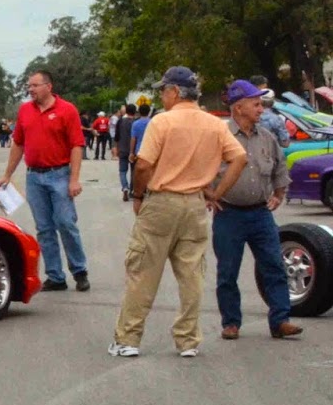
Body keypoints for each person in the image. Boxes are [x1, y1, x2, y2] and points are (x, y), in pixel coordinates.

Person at [111, 66, 247, 357]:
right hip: (195, 204)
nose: (162, 96)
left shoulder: (163, 121)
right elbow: (239, 157)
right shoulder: (214, 124)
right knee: (191, 275)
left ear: (174, 91)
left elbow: (144, 165)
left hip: (163, 201)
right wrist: (216, 192)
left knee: (143, 271)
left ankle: (128, 339)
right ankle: (187, 341)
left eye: (164, 90)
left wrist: (138, 195)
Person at [212, 80, 303, 341]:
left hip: (261, 214)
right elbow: (201, 167)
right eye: (256, 104)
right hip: (228, 214)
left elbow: (280, 167)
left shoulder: (267, 137)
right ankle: (231, 323)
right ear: (238, 107)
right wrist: (208, 193)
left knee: (274, 266)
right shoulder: (220, 137)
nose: (261, 109)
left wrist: (279, 194)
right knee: (228, 272)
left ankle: (280, 321)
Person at [0, 69, 89, 292]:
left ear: (49, 86)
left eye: (35, 85)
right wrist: (7, 174)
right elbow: (18, 143)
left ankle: (79, 271)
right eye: (29, 86)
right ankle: (55, 276)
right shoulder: (25, 110)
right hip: (34, 178)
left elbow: (76, 145)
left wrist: (74, 179)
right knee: (44, 228)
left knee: (66, 223)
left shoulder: (67, 110)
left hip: (60, 175)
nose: (31, 90)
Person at [251, 77, 291, 147]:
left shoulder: (248, 116)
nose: (265, 88)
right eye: (264, 87)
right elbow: (285, 143)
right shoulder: (275, 119)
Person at [114, 103, 137, 202]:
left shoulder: (120, 121)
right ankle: (132, 190)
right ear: (135, 112)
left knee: (122, 171)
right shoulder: (136, 122)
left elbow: (117, 136)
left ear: (126, 111)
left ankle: (125, 188)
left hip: (122, 149)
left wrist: (116, 148)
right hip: (134, 151)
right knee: (134, 171)